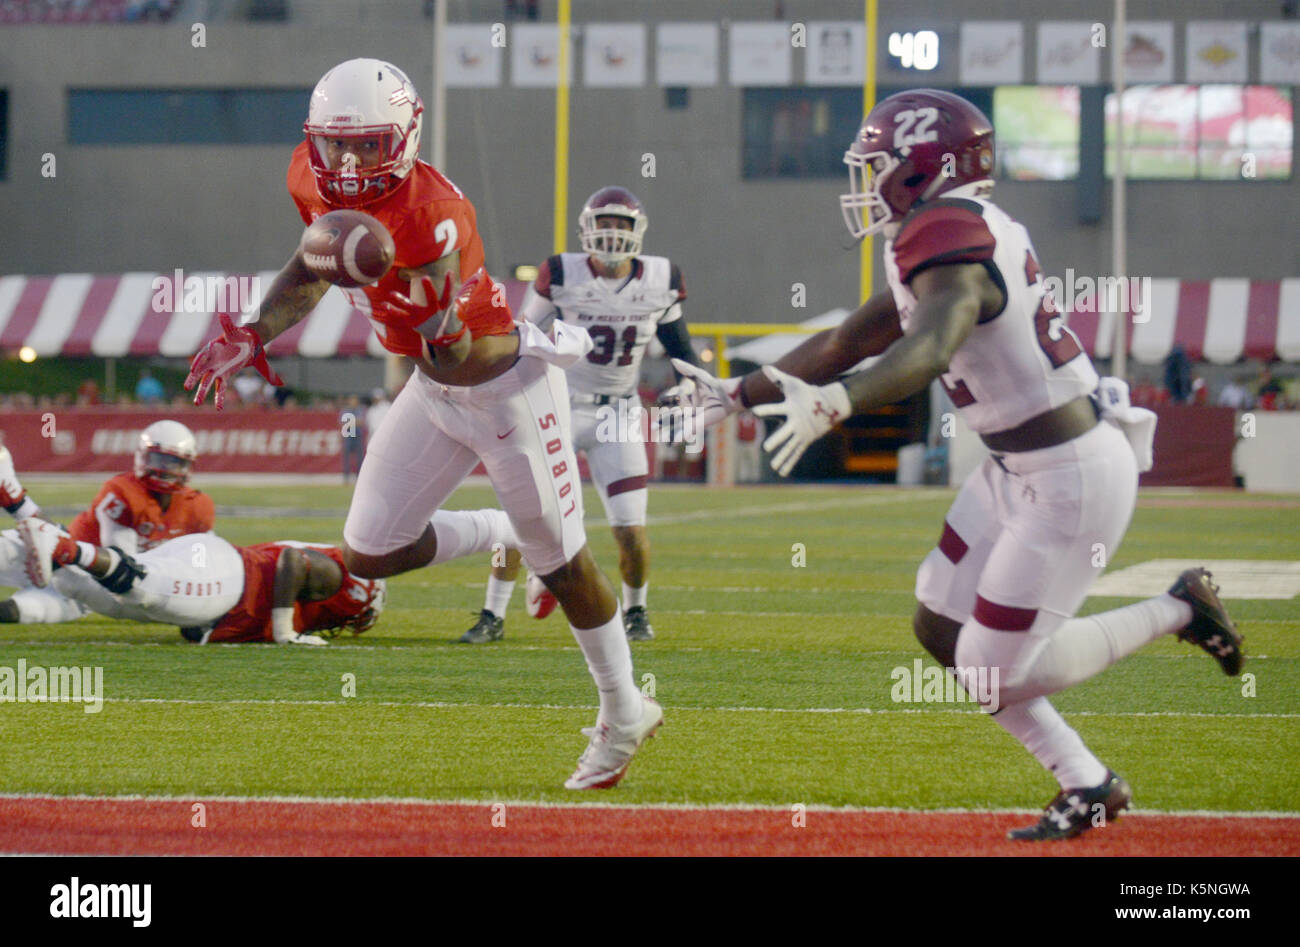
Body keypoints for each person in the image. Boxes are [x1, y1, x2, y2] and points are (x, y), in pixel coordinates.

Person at [676, 89, 1244, 840]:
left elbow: (931, 347)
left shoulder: (947, 232)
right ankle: (1089, 782)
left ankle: (1180, 607)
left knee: (989, 666)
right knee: (939, 624)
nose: (864, 182)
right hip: (1017, 464)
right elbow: (857, 337)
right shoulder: (945, 229)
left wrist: (842, 403)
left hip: (1067, 472)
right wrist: (737, 392)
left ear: (923, 170)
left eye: (876, 166)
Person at [183, 59, 660, 790]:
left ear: (403, 138)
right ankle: (503, 534)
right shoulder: (309, 177)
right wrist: (254, 331)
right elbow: (313, 265)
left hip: (505, 387)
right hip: (430, 391)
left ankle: (624, 709)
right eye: (334, 144)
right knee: (368, 553)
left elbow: (460, 348)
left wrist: (441, 328)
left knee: (566, 566)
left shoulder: (435, 213)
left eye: (366, 145)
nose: (345, 163)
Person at [460, 186, 699, 644]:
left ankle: (636, 612)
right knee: (519, 514)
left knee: (629, 529)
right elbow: (520, 334)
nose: (611, 233)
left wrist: (689, 382)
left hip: (619, 416)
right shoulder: (561, 273)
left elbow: (681, 348)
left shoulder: (661, 279)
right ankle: (492, 614)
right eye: (604, 223)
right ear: (587, 229)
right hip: (559, 408)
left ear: (637, 231)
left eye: (620, 224)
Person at [17, 518, 385, 646]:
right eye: (354, 616)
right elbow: (293, 562)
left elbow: (200, 634)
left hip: (215, 583)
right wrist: (284, 631)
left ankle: (43, 542)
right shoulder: (340, 580)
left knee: (88, 592)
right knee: (143, 587)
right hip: (227, 576)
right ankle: (65, 546)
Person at [0, 421, 215, 624]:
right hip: (72, 560)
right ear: (143, 456)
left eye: (175, 462)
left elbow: (205, 569)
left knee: (24, 612)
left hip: (88, 587)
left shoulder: (198, 506)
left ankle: (17, 501)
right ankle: (16, 500)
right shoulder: (124, 492)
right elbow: (121, 564)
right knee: (14, 553)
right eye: (159, 460)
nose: (166, 469)